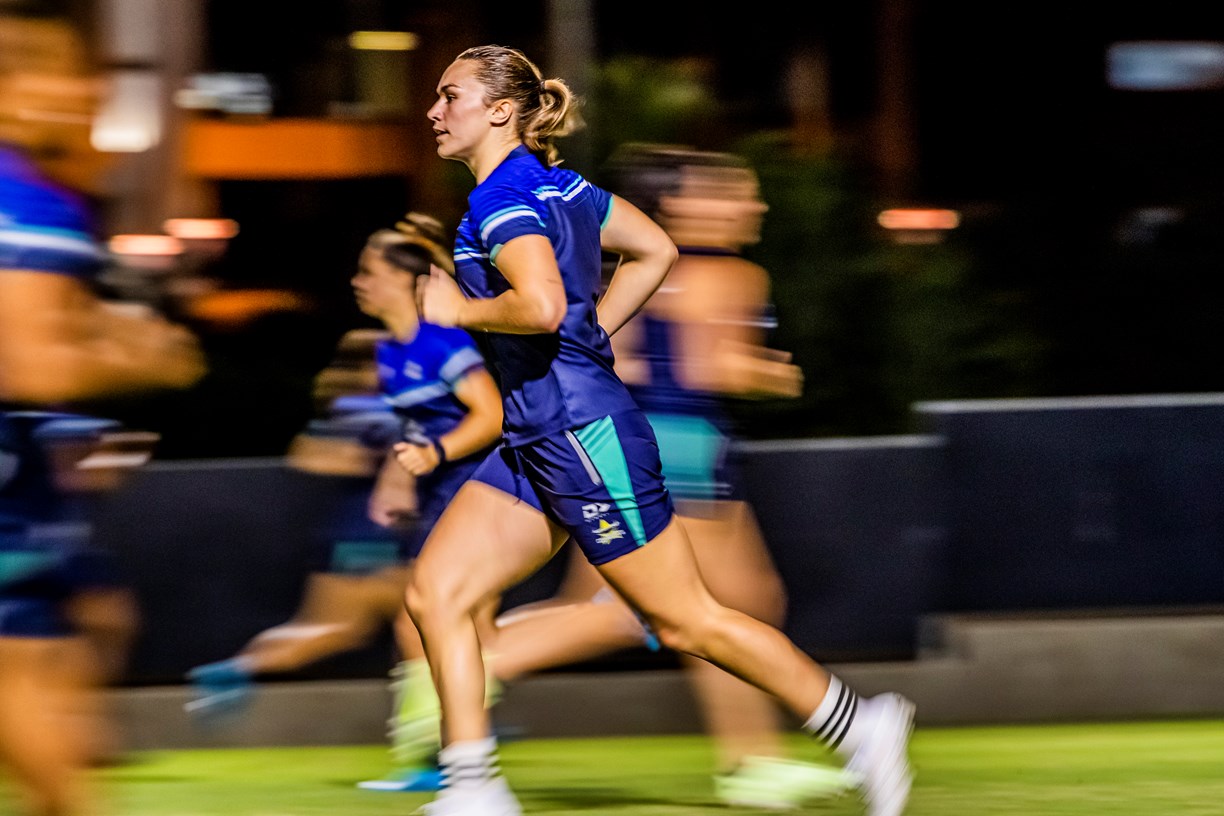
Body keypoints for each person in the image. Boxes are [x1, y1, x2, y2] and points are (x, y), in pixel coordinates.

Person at [404, 44, 915, 816]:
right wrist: (595, 334)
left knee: (685, 621)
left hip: (576, 431)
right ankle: (475, 789)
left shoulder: (500, 201)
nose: (435, 111)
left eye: (450, 96)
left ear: (500, 110)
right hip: (538, 433)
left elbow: (540, 307)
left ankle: (860, 726)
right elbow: (654, 250)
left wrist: (461, 310)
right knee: (436, 589)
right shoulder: (558, 185)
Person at [467, 143, 860, 809]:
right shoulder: (729, 276)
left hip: (609, 442)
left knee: (726, 605)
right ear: (678, 205)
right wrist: (776, 373)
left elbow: (606, 353)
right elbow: (716, 370)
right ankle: (467, 669)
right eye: (732, 192)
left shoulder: (623, 271)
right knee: (658, 612)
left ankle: (752, 761)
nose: (751, 206)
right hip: (680, 454)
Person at [184, 214, 504, 791]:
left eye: (370, 271)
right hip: (439, 503)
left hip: (481, 499)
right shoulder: (390, 355)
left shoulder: (442, 342)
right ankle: (447, 760)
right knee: (440, 632)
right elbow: (405, 433)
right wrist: (395, 477)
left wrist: (431, 454)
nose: (358, 281)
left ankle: (451, 758)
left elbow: (492, 415)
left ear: (407, 282)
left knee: (446, 632)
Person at [1, 12, 206, 816]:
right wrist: (145, 357)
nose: (85, 94)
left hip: (33, 493)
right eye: (61, 75)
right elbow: (32, 366)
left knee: (96, 620)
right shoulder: (28, 203)